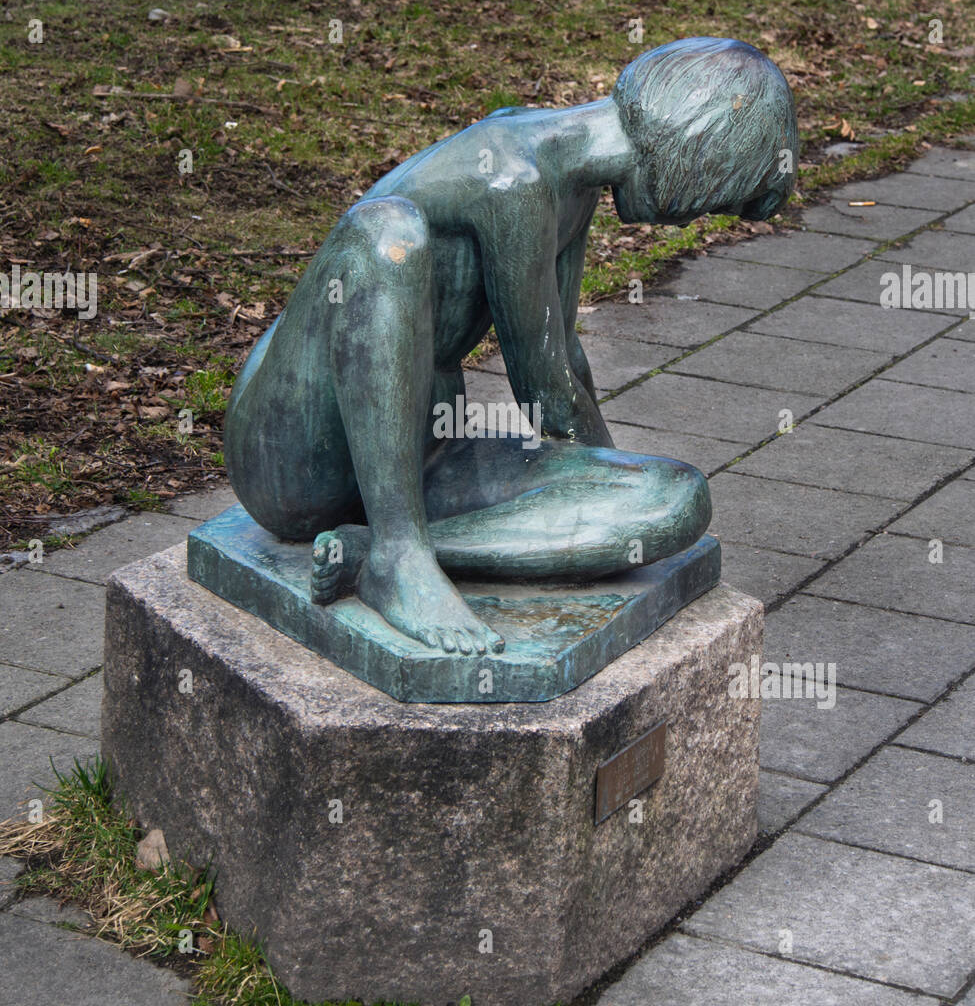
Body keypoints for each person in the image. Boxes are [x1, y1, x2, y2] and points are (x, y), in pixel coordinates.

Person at [223, 36, 798, 656]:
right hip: (292, 459)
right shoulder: (515, 178)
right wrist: (587, 479)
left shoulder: (569, 179)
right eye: (723, 197)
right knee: (386, 233)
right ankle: (399, 551)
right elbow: (544, 386)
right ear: (703, 153)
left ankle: (387, 549)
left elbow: (561, 360)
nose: (695, 221)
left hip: (420, 456)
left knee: (677, 496)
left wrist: (609, 481)